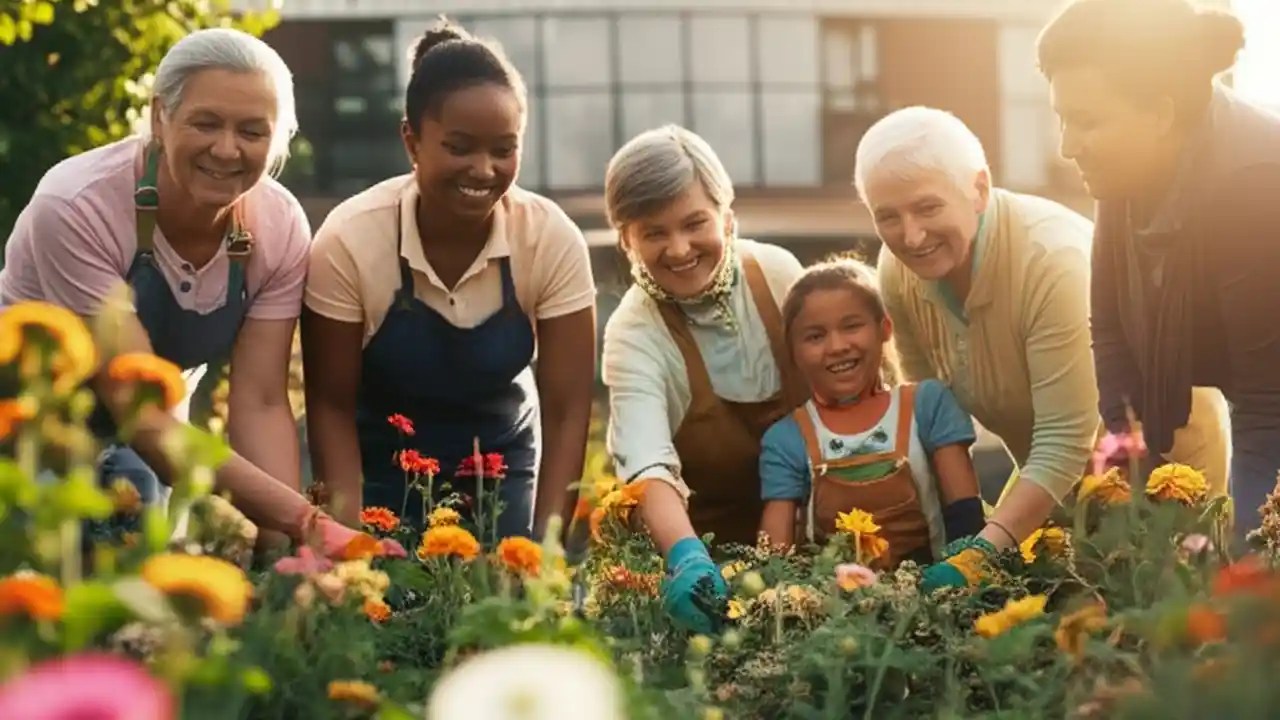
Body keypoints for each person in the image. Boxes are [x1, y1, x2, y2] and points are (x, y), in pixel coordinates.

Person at [0, 28, 396, 558]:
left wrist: (283, 555)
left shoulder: (278, 228)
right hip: (27, 428)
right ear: (160, 117)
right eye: (205, 123)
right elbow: (136, 405)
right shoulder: (78, 206)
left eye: (253, 131)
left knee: (142, 585)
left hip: (152, 443)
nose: (227, 149)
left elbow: (258, 402)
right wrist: (309, 524)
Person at [857, 106, 1229, 590]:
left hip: (1163, 462)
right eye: (888, 217)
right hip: (1052, 471)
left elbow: (1064, 441)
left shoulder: (1054, 262)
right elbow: (933, 417)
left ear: (979, 188)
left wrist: (979, 556)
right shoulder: (899, 269)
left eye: (928, 208)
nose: (911, 235)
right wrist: (949, 530)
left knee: (1153, 617)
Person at [302, 18, 596, 539]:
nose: (484, 169)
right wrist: (348, 547)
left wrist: (544, 551)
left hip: (499, 469)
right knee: (380, 611)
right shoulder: (350, 240)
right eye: (459, 148)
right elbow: (329, 406)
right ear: (412, 142)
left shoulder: (549, 239)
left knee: (505, 610)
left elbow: (570, 409)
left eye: (504, 150)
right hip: (378, 472)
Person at [1038, 0, 1280, 545]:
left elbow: (1268, 411)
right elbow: (1112, 332)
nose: (1067, 146)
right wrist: (1127, 480)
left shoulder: (1255, 185)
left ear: (1162, 114)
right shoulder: (1129, 166)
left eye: (1087, 121)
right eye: (1062, 118)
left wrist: (1248, 567)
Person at [601, 124, 810, 633]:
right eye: (653, 232)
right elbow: (646, 463)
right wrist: (690, 562)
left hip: (826, 543)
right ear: (626, 240)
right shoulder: (634, 332)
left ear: (728, 218)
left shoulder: (778, 275)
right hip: (712, 556)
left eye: (695, 223)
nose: (678, 249)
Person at [757, 259, 985, 566]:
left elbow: (965, 513)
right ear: (793, 349)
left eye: (851, 326)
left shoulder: (928, 404)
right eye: (815, 336)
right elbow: (774, 554)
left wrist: (964, 578)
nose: (837, 346)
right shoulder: (786, 438)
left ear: (884, 329)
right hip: (835, 608)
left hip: (936, 595)